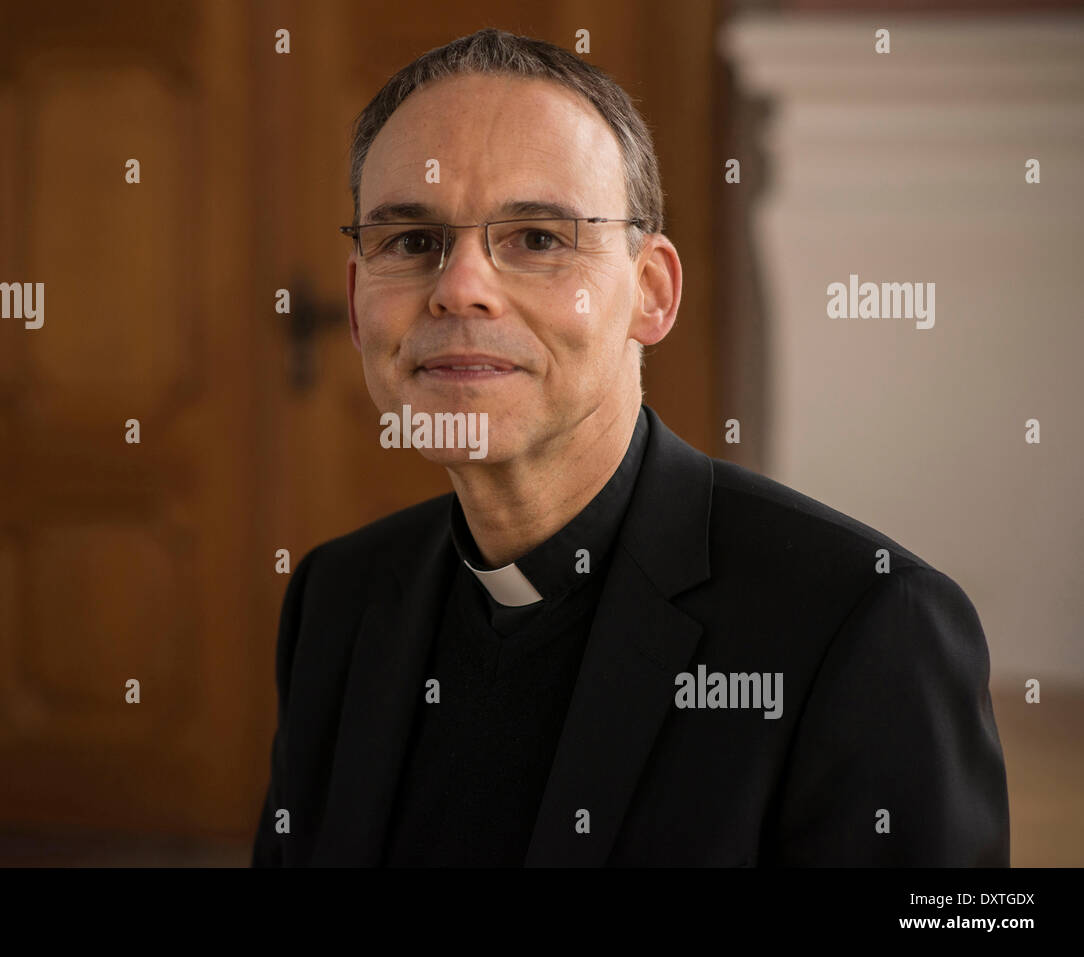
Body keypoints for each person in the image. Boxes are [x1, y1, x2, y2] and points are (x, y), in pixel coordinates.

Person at [251, 28, 1009, 867]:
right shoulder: (338, 597)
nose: (460, 286)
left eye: (538, 238)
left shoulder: (868, 627)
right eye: (412, 241)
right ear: (359, 305)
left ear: (651, 292)